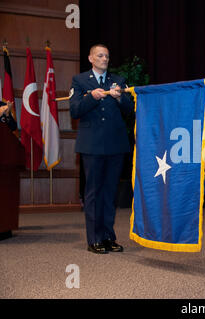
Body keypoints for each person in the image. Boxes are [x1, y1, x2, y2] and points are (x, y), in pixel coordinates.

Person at [70, 44, 134, 254]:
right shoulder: (79, 81)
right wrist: (92, 97)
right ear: (91, 58)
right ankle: (94, 239)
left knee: (110, 193)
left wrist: (119, 97)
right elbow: (75, 110)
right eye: (100, 55)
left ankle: (108, 237)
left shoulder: (118, 81)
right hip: (92, 145)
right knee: (94, 193)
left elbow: (131, 109)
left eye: (107, 55)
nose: (104, 58)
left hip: (115, 144)